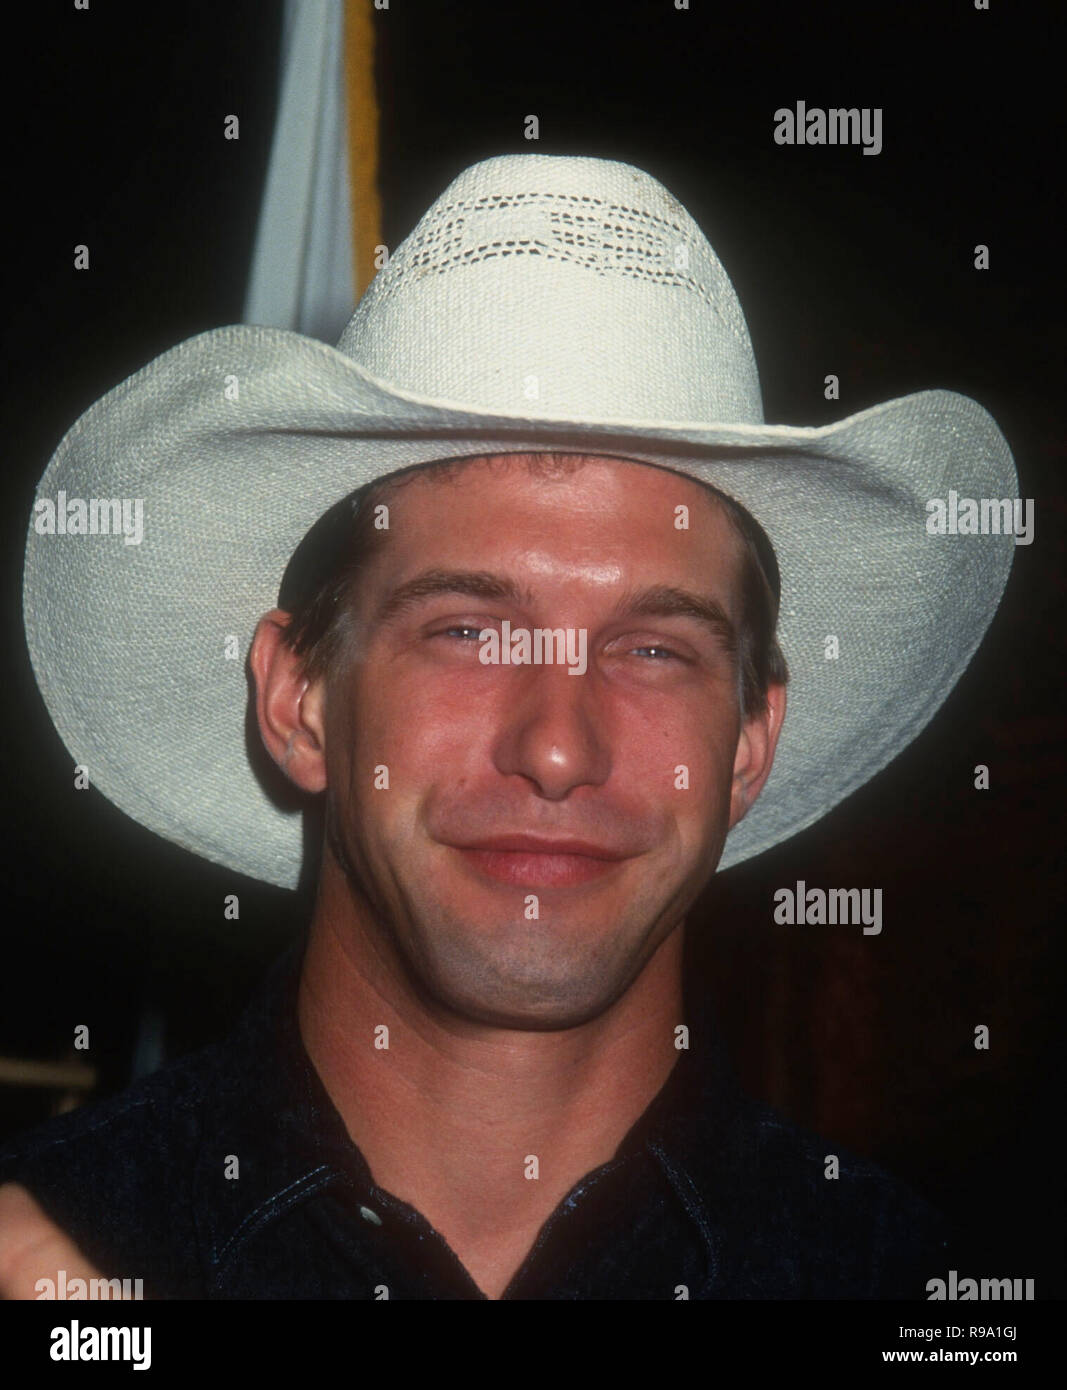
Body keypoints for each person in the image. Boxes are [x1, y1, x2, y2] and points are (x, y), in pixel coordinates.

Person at [0, 153, 1017, 1299]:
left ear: (747, 742)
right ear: (299, 700)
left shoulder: (906, 1290)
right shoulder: (55, 1249)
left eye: (651, 649)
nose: (556, 748)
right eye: (467, 632)